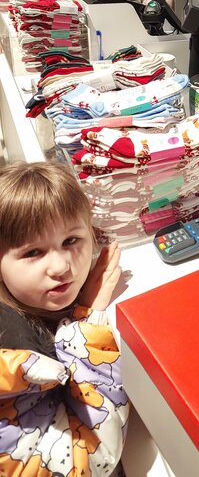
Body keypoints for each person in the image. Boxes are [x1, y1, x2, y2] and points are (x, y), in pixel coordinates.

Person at [0, 161, 129, 475]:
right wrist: (87, 324)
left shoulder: (26, 305)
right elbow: (89, 461)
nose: (60, 267)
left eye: (71, 241)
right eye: (32, 252)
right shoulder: (13, 343)